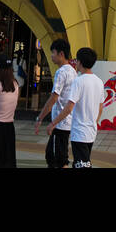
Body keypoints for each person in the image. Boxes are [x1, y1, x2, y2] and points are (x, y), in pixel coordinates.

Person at [49, 47, 104, 168]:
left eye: (77, 60)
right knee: (81, 162)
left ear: (80, 62)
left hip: (80, 132)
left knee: (82, 164)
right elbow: (100, 107)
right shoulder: (99, 82)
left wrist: (53, 123)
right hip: (91, 132)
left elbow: (69, 108)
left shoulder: (79, 81)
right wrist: (94, 122)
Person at [35, 38, 76, 168]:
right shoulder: (72, 71)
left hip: (60, 123)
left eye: (53, 52)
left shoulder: (61, 72)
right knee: (58, 156)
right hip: (67, 121)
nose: (51, 56)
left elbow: (53, 98)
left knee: (55, 158)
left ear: (61, 54)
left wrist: (40, 118)